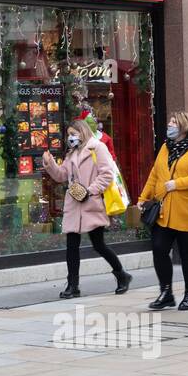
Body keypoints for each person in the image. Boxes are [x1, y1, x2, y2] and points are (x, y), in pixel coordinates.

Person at [42, 118, 133, 299]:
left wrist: (89, 191)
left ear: (82, 132)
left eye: (73, 134)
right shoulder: (71, 154)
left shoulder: (97, 148)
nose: (70, 138)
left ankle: (121, 274)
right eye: (68, 135)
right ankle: (72, 285)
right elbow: (62, 176)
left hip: (91, 203)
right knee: (71, 246)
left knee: (99, 245)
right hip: (74, 205)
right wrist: (50, 164)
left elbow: (107, 174)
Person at [138, 111, 188, 311]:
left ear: (184, 127)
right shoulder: (165, 147)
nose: (169, 125)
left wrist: (177, 184)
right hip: (164, 211)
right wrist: (143, 197)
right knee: (159, 249)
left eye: (174, 123)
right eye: (169, 122)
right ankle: (166, 293)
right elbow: (155, 174)